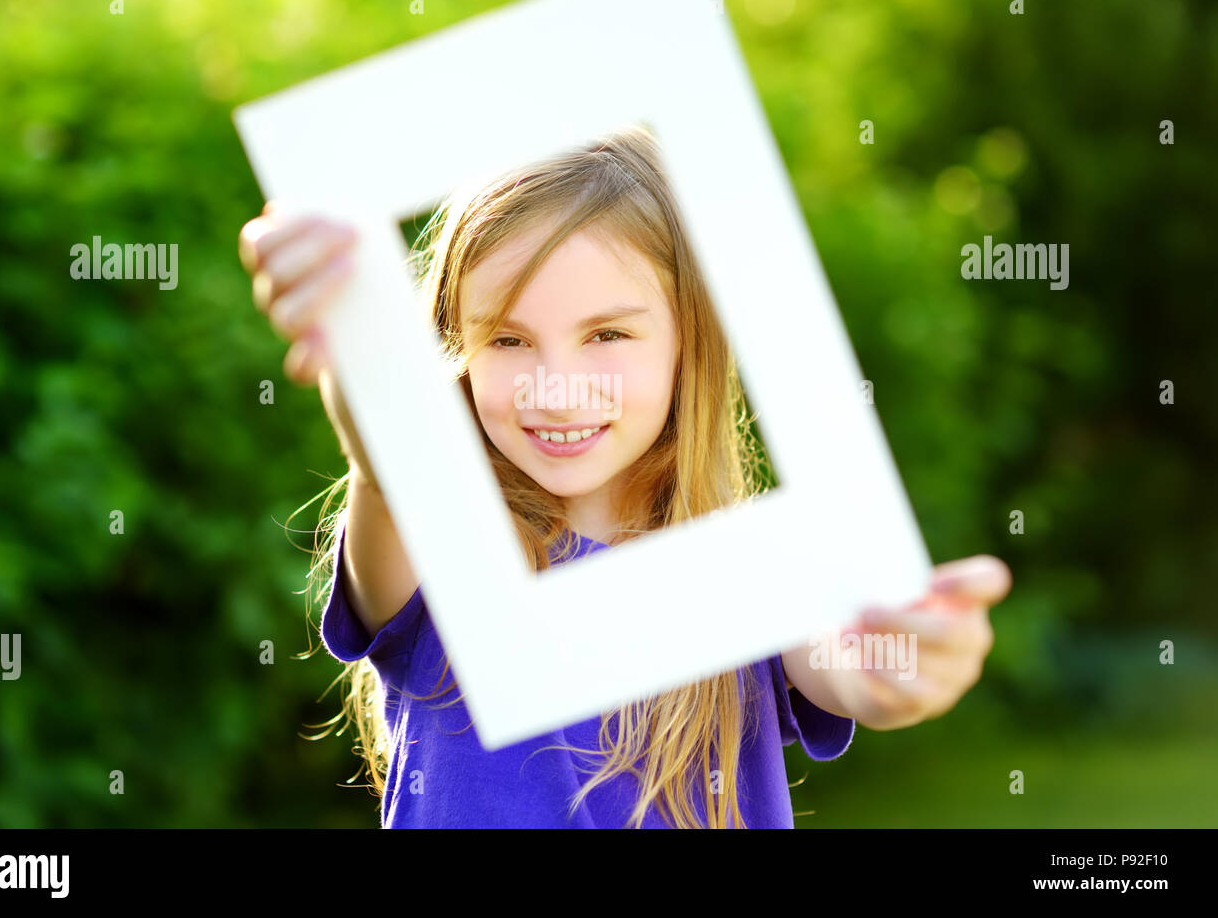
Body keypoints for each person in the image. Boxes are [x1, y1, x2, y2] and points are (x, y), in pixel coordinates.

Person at [237, 124, 1012, 828]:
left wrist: (909, 658)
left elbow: (852, 669)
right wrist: (352, 332)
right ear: (453, 350)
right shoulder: (444, 553)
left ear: (688, 340)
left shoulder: (753, 571)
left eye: (607, 333)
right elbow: (391, 463)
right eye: (507, 341)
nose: (557, 387)